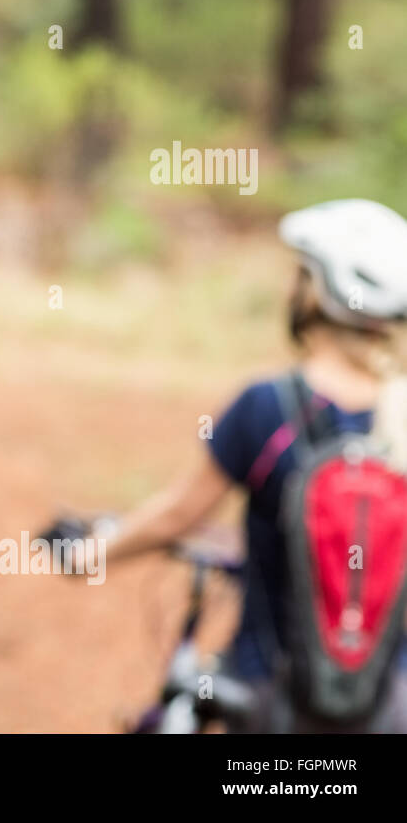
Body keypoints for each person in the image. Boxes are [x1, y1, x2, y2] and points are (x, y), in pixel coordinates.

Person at [80, 198, 407, 732]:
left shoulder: (266, 407)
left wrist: (89, 553)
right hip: (388, 704)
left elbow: (176, 517)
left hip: (267, 698)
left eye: (299, 275)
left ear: (317, 292)